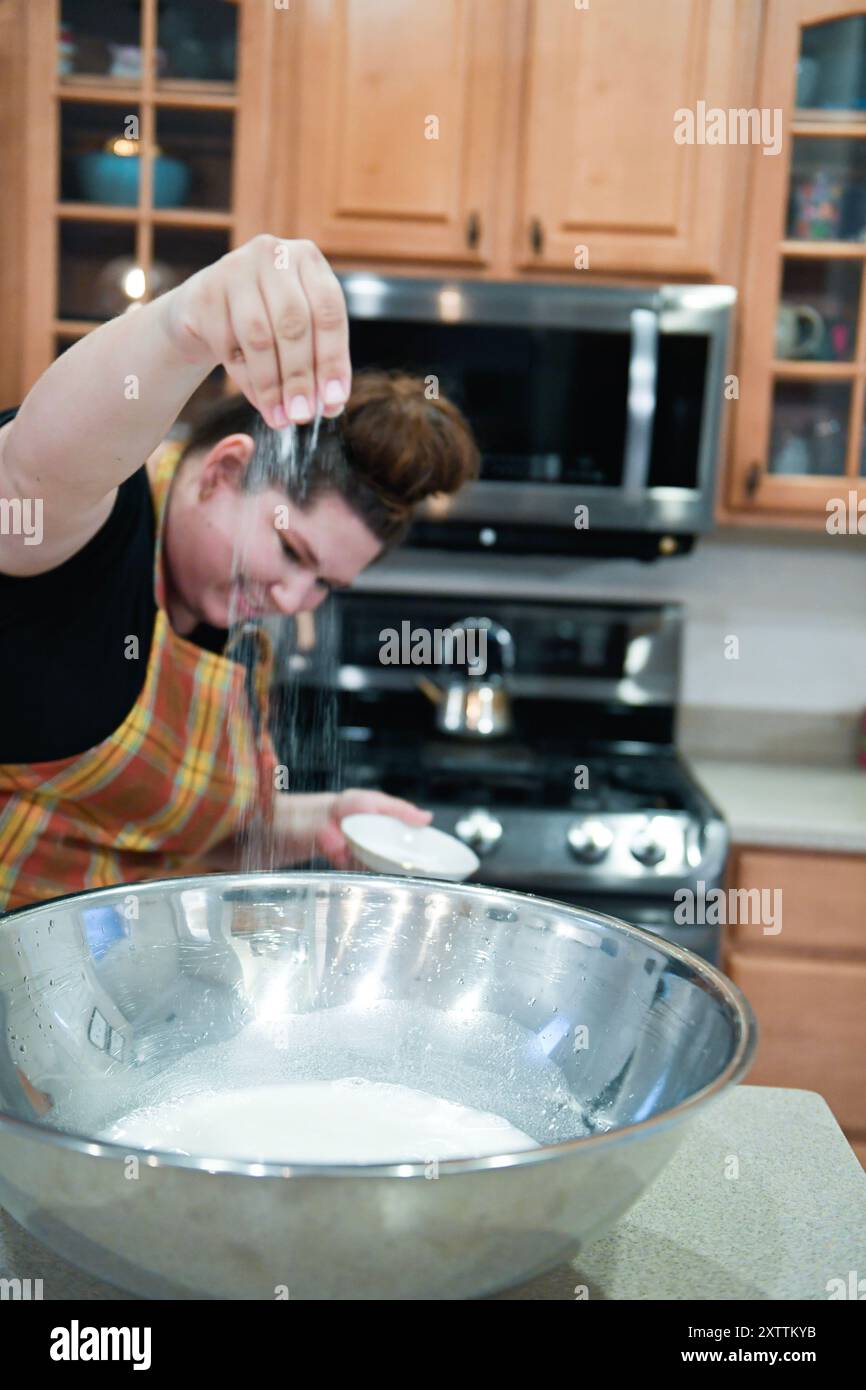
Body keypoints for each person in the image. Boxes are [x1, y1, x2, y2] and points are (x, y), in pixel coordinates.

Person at [0, 235, 479, 912]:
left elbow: (176, 835)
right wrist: (184, 322)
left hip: (106, 985)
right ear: (224, 470)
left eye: (325, 586)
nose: (294, 599)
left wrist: (327, 818)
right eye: (292, 553)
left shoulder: (233, 626)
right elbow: (27, 470)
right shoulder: (95, 527)